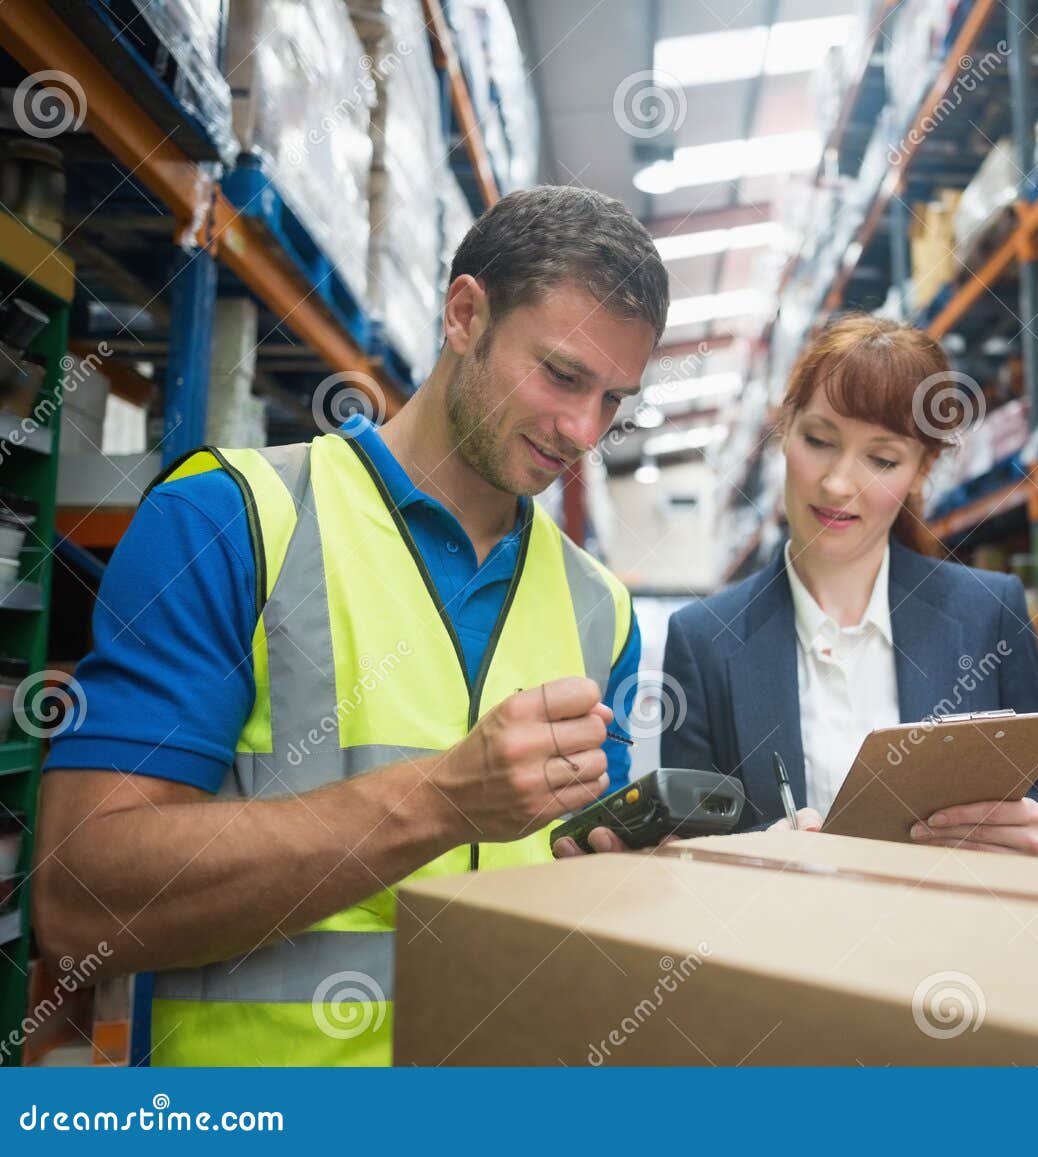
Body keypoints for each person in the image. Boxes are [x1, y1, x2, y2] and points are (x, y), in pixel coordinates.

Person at [33, 187, 671, 1065]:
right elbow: (80, 901)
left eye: (615, 401)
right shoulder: (233, 519)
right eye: (562, 375)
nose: (581, 430)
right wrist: (442, 801)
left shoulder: (603, 609)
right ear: (464, 313)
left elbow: (584, 887)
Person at [661, 316, 1038, 859]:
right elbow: (681, 861)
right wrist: (746, 859)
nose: (837, 484)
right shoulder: (704, 641)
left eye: (882, 460)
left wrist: (1035, 842)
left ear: (922, 468)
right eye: (818, 440)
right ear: (783, 429)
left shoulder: (988, 615)